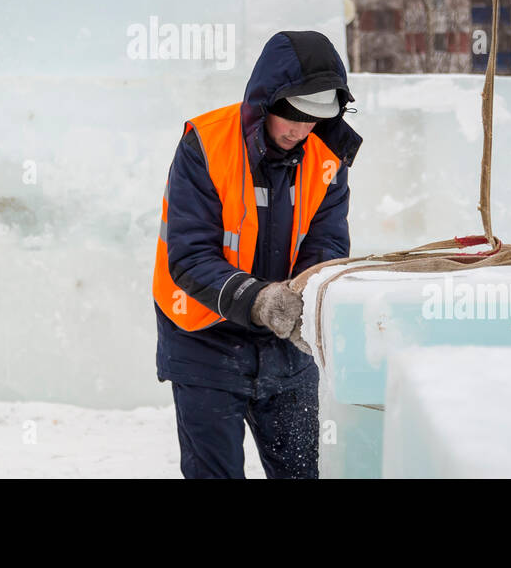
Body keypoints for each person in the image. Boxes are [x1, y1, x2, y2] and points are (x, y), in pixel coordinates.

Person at [152, 30, 362, 478]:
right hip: (204, 341)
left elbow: (326, 245)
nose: (302, 130)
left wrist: (304, 297)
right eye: (295, 116)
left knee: (301, 472)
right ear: (268, 100)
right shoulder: (205, 145)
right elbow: (189, 256)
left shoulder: (326, 158)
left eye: (314, 120)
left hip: (285, 348)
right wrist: (260, 300)